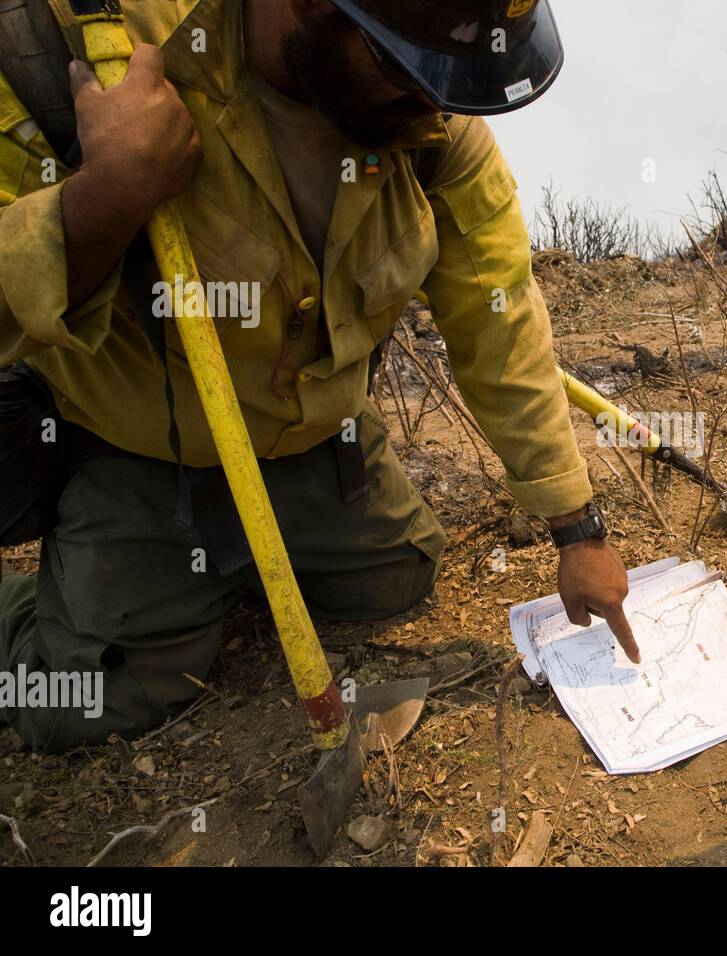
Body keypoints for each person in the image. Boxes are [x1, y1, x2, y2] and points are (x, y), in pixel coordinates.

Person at [0, 0, 639, 752]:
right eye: (404, 68)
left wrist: (575, 527)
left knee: (398, 578)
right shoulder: (78, 54)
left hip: (315, 440)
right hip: (141, 455)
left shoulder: (428, 122)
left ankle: (214, 578)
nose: (434, 106)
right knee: (81, 708)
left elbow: (498, 320)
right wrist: (101, 201)